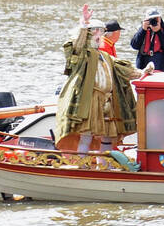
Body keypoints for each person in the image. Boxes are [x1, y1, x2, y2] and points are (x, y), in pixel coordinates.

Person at [55, 14, 141, 153]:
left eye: (101, 32)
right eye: (95, 31)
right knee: (86, 135)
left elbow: (122, 70)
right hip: (91, 100)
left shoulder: (105, 56)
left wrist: (143, 73)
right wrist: (84, 27)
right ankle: (82, 164)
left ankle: (103, 164)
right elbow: (77, 47)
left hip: (107, 100)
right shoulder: (84, 55)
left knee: (107, 137)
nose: (99, 35)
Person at [131, 6, 164, 72]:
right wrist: (143, 30)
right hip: (144, 61)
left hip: (162, 62)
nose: (153, 21)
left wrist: (159, 32)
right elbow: (134, 45)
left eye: (156, 18)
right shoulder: (143, 29)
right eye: (150, 19)